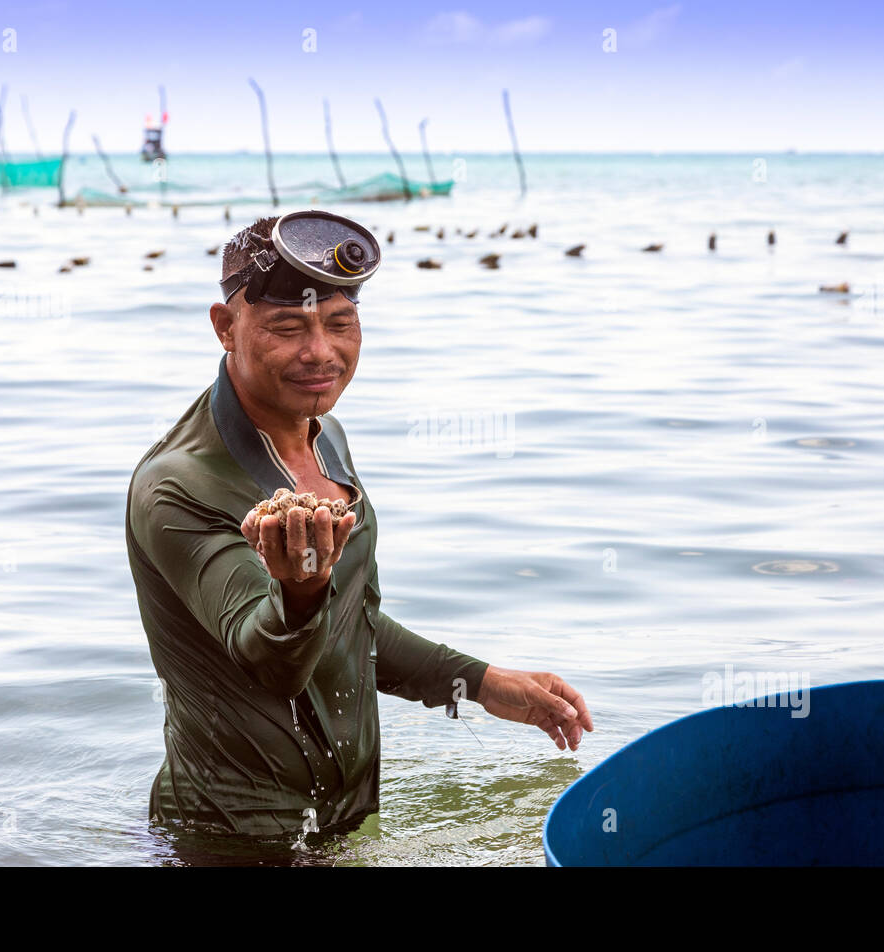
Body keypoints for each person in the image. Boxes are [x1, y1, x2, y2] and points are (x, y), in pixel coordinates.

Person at [125, 210, 593, 838]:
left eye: (340, 324)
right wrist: (300, 591)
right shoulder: (178, 486)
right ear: (225, 327)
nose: (320, 352)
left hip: (342, 826)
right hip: (231, 840)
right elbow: (270, 660)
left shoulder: (325, 438)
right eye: (287, 328)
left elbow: (349, 630)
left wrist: (479, 682)